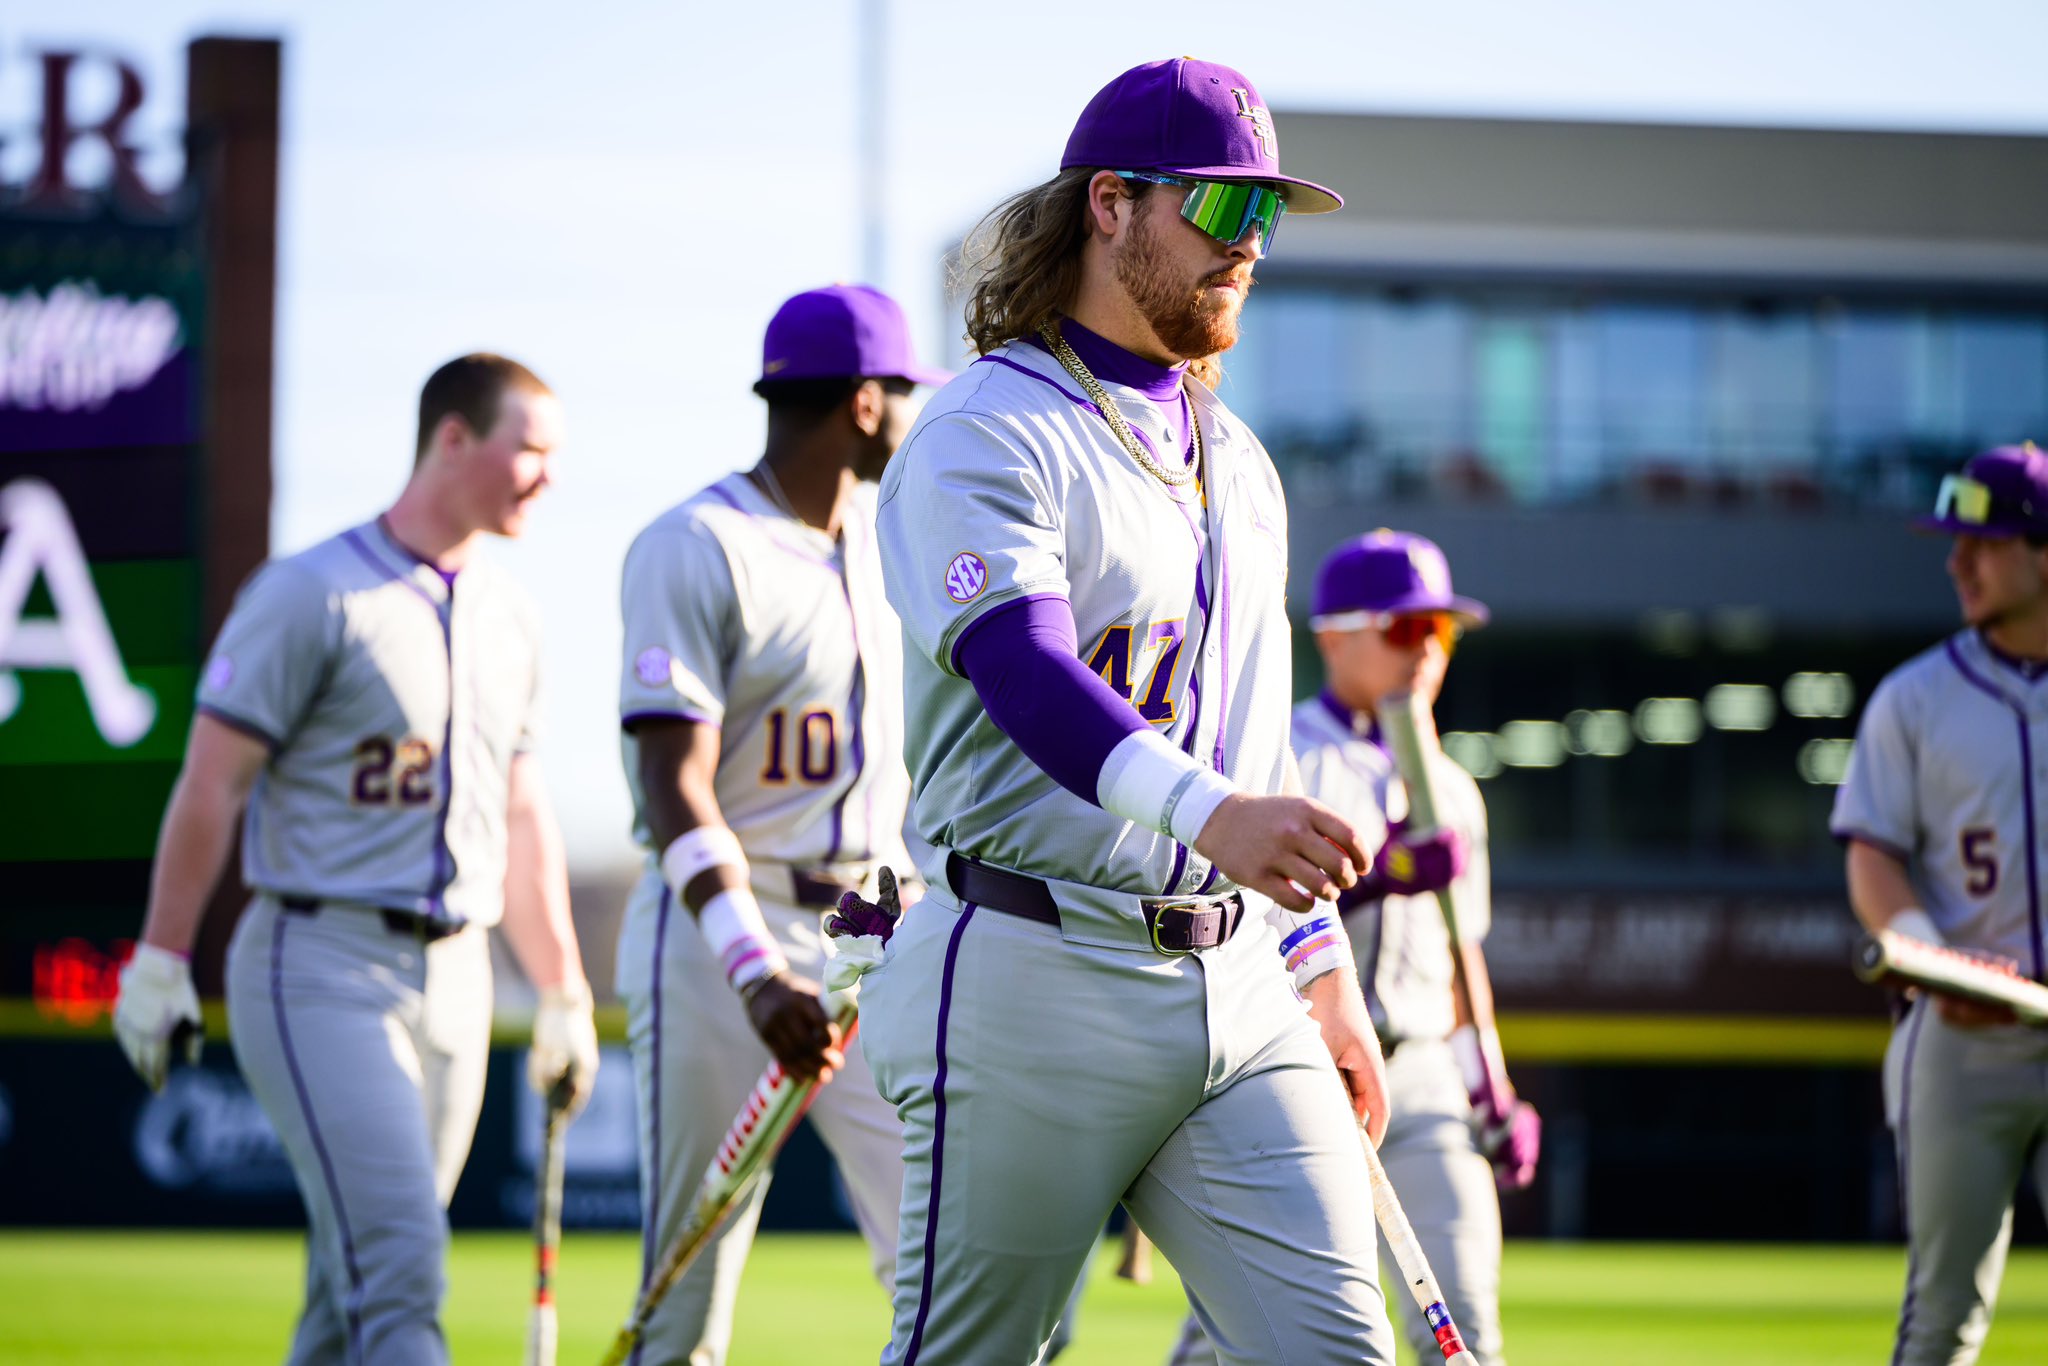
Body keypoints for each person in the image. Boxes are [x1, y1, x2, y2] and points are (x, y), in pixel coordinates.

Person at [865, 57, 1397, 1364]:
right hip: (1030, 959)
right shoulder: (986, 425)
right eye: (1222, 206)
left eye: (1266, 215)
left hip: (1237, 979)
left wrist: (1321, 972)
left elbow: (1255, 757)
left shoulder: (1242, 461)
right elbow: (1022, 665)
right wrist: (1212, 816)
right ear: (1110, 204)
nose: (1250, 243)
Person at [111, 353, 601, 1365]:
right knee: (402, 1266)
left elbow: (519, 815)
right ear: (453, 439)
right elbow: (211, 783)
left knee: (352, 1294)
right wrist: (160, 955)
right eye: (530, 449)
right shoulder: (311, 591)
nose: (550, 476)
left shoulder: (512, 613)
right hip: (320, 957)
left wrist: (561, 988)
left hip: (460, 974)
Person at [614, 284, 946, 1365]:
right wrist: (753, 969)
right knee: (687, 1290)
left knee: (948, 1257)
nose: (917, 412)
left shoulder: (896, 544)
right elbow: (671, 781)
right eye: (905, 391)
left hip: (873, 926)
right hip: (726, 932)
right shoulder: (697, 542)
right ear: (865, 402)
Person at [1169, 530, 1540, 1365]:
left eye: (1440, 632)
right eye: (1405, 628)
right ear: (1335, 636)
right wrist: (1381, 876)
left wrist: (1492, 1084)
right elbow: (1247, 913)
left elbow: (1462, 958)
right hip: (1289, 1066)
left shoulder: (1454, 784)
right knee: (1245, 1334)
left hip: (1422, 1078)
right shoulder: (1285, 756)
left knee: (1466, 1329)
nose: (1427, 650)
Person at [1832, 442, 2048, 1366]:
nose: (1958, 562)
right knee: (1942, 1320)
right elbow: (1871, 856)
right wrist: (1936, 960)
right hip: (1963, 1039)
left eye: (1984, 543)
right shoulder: (1915, 697)